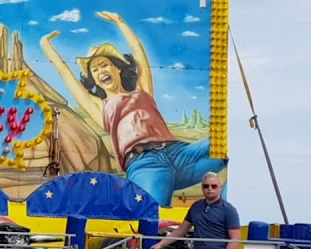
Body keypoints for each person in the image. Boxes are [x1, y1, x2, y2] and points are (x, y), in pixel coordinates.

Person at [39, 11, 227, 207]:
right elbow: (65, 74)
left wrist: (121, 22)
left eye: (105, 65)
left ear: (117, 68)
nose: (101, 70)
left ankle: (222, 213)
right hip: (145, 163)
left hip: (178, 153)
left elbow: (139, 52)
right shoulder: (99, 106)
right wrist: (46, 46)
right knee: (153, 217)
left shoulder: (143, 89)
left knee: (226, 142)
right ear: (93, 79)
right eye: (94, 70)